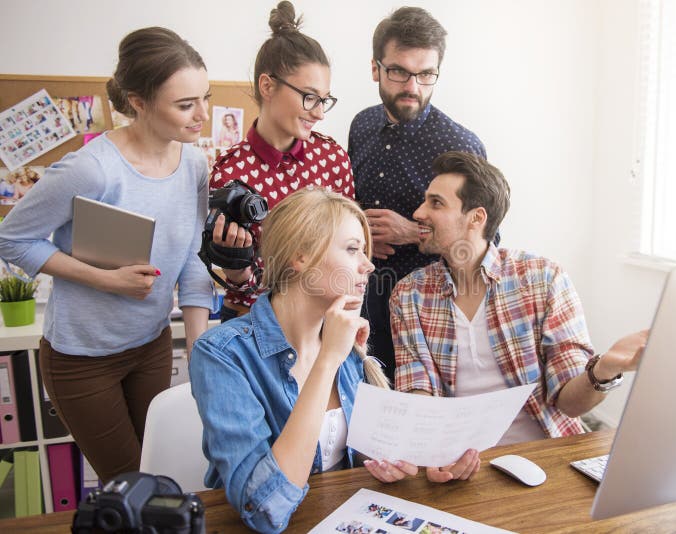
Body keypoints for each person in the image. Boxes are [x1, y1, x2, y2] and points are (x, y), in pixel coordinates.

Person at [0, 27, 214, 483]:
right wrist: (105, 279)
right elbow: (12, 239)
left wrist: (200, 350)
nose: (203, 116)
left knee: (164, 471)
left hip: (151, 345)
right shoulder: (92, 169)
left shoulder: (194, 164)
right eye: (185, 105)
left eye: (206, 98)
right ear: (138, 102)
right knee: (131, 483)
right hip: (82, 358)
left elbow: (194, 256)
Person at [190, 189, 424, 533]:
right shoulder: (222, 354)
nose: (369, 264)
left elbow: (351, 456)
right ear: (300, 256)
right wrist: (327, 361)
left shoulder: (343, 339)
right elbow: (264, 510)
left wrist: (388, 461)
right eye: (352, 249)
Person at [391, 151, 647, 449]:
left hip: (543, 453)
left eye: (436, 203)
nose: (418, 213)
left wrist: (603, 371)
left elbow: (570, 404)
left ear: (476, 218)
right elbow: (417, 392)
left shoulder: (544, 278)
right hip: (456, 460)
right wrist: (426, 449)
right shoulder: (408, 294)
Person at [348, 7, 486, 379]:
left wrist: (413, 231)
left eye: (426, 74)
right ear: (376, 68)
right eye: (399, 71)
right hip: (360, 308)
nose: (413, 87)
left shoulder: (461, 145)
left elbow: (485, 243)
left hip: (429, 321)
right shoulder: (361, 125)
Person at [210, 0, 354, 323]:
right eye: (310, 97)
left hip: (320, 322)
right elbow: (240, 283)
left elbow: (349, 253)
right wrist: (236, 269)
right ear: (267, 86)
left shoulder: (332, 159)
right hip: (252, 324)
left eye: (324, 100)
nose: (319, 112)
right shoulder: (230, 172)